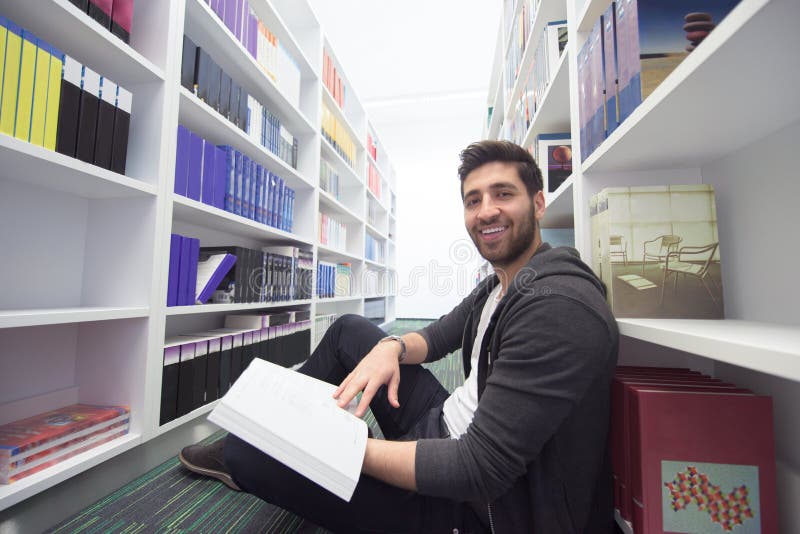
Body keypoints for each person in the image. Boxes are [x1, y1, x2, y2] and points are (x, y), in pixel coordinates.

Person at [180, 140, 619, 533]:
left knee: (248, 456)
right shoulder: (503, 282)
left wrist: (341, 447)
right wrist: (391, 346)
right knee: (350, 331)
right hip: (443, 424)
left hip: (474, 507)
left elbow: (479, 469)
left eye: (503, 194)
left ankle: (267, 440)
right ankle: (273, 425)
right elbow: (436, 335)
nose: (486, 210)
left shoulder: (557, 307)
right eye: (473, 199)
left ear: (539, 204)